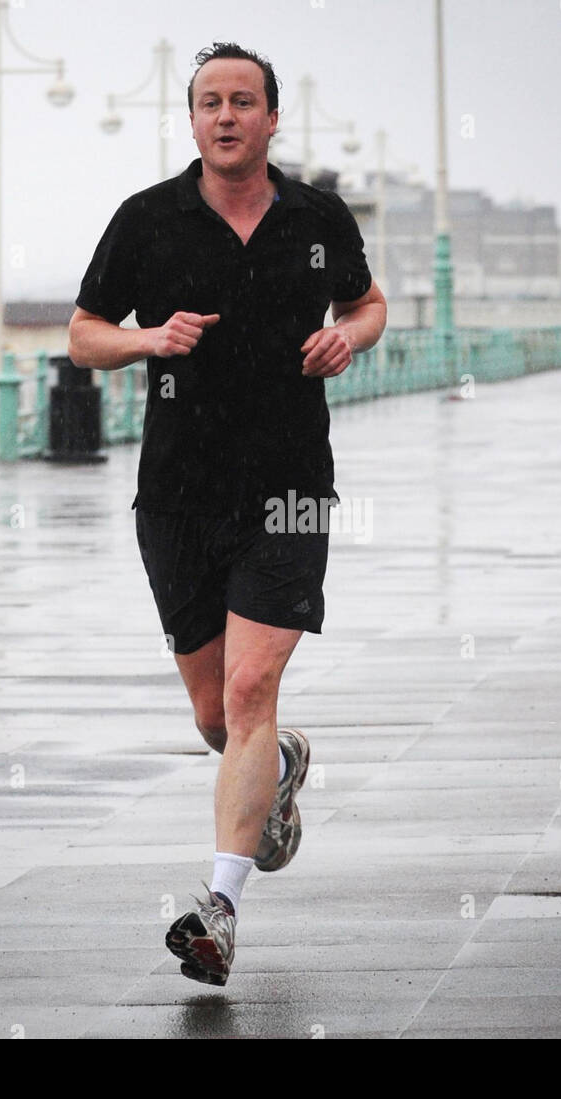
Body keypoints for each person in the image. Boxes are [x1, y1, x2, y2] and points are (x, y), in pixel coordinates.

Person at [68, 42, 387, 986]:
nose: (226, 116)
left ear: (273, 118)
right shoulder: (147, 221)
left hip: (288, 489)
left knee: (251, 691)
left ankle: (220, 907)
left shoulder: (319, 219)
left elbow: (369, 304)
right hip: (176, 497)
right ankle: (276, 769)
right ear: (194, 119)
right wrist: (144, 339)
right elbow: (83, 337)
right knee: (218, 717)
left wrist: (347, 335)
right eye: (210, 102)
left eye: (244, 101)